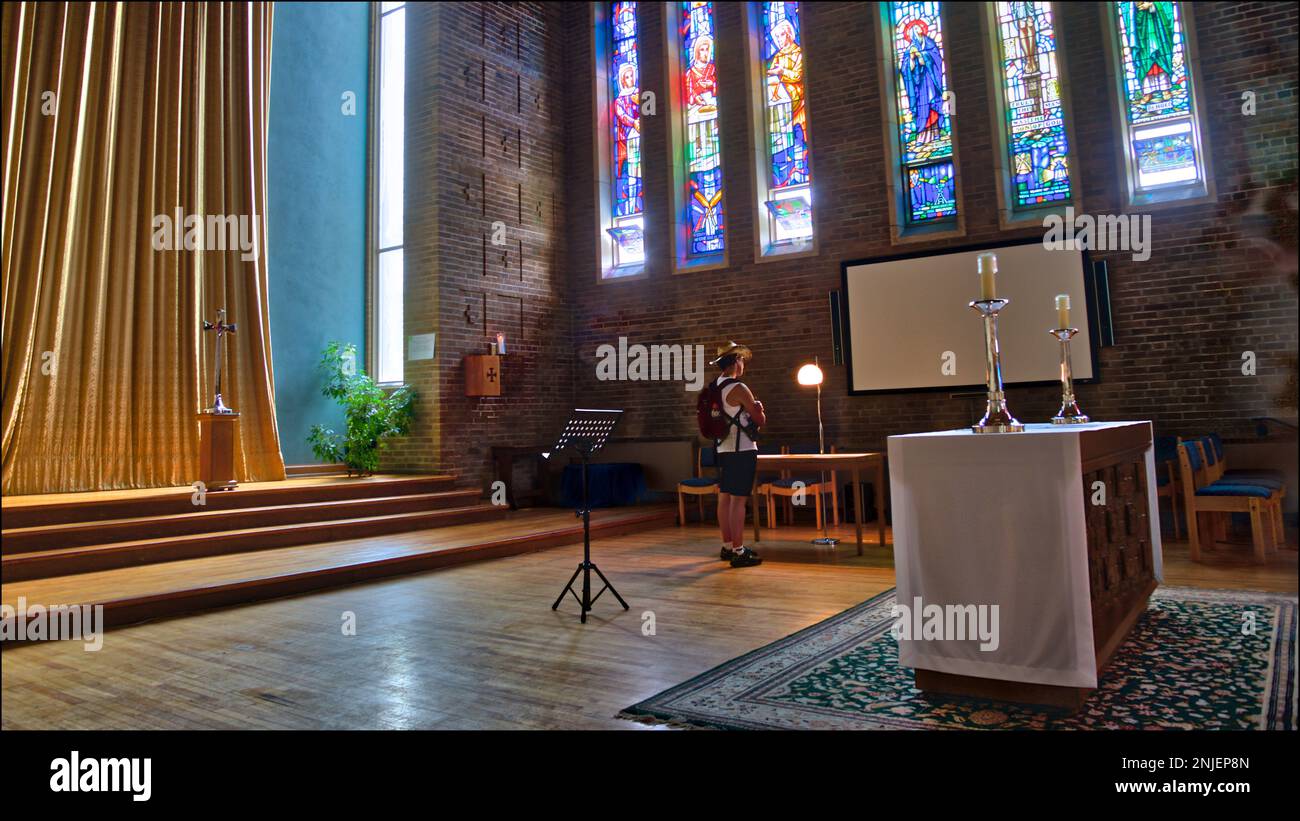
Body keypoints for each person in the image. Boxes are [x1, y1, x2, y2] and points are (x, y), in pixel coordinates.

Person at [709, 342, 766, 568]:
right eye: (741, 359)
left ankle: (728, 545)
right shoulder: (739, 388)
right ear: (734, 362)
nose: (743, 363)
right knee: (739, 500)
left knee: (725, 497)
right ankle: (739, 551)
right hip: (741, 449)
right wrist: (760, 409)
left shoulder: (715, 386)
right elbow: (759, 420)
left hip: (722, 447)